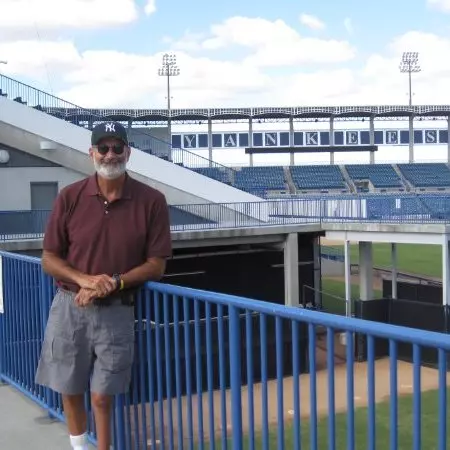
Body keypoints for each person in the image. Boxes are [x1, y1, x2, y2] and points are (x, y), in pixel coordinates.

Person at [35, 121, 172, 450]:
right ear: (91, 152)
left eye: (117, 147)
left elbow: (157, 264)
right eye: (103, 148)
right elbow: (49, 258)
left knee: (101, 395)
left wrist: (114, 282)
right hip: (70, 304)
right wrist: (85, 280)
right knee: (69, 387)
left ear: (129, 152)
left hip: (116, 309)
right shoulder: (70, 197)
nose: (110, 155)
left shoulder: (152, 200)